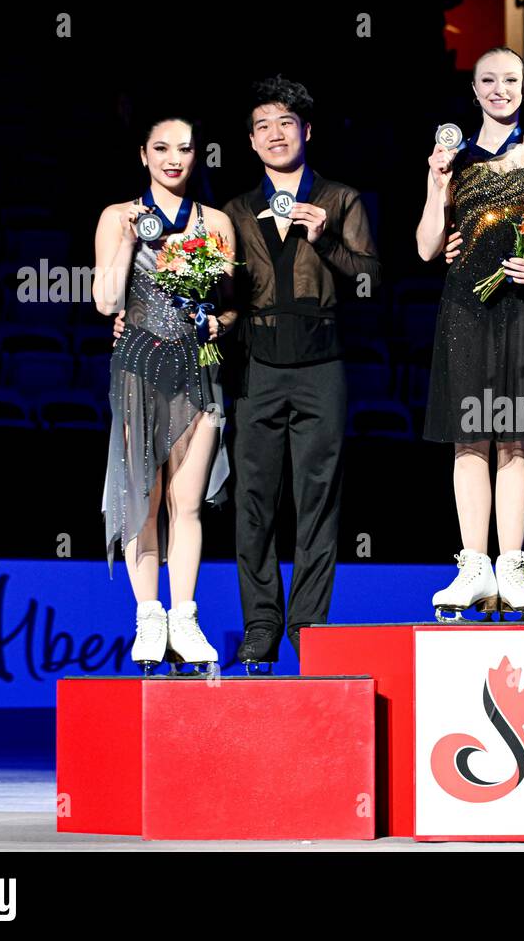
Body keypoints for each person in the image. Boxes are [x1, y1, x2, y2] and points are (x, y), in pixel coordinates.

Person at [223, 75, 381, 669]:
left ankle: (308, 625)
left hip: (323, 367)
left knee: (318, 501)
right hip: (257, 366)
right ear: (251, 142)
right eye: (263, 126)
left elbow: (371, 281)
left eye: (285, 123)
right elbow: (226, 288)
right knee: (254, 503)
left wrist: (327, 239)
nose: (274, 134)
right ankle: (261, 626)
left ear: (306, 131)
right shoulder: (235, 210)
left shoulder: (340, 199)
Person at [417, 46, 524, 621]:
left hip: (522, 309)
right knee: (468, 438)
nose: (500, 89)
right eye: (488, 80)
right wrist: (435, 182)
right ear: (474, 90)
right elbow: (428, 246)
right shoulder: (453, 159)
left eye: (510, 80)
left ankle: (513, 565)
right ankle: (472, 566)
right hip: (464, 309)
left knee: (516, 438)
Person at [94, 115, 231, 675]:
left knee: (188, 504)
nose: (174, 158)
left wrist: (220, 322)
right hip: (139, 369)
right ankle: (148, 617)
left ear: (197, 156)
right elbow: (105, 301)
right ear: (143, 155)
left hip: (198, 370)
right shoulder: (116, 216)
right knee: (142, 500)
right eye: (162, 148)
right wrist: (127, 242)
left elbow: (230, 302)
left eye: (185, 148)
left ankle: (185, 617)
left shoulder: (215, 221)